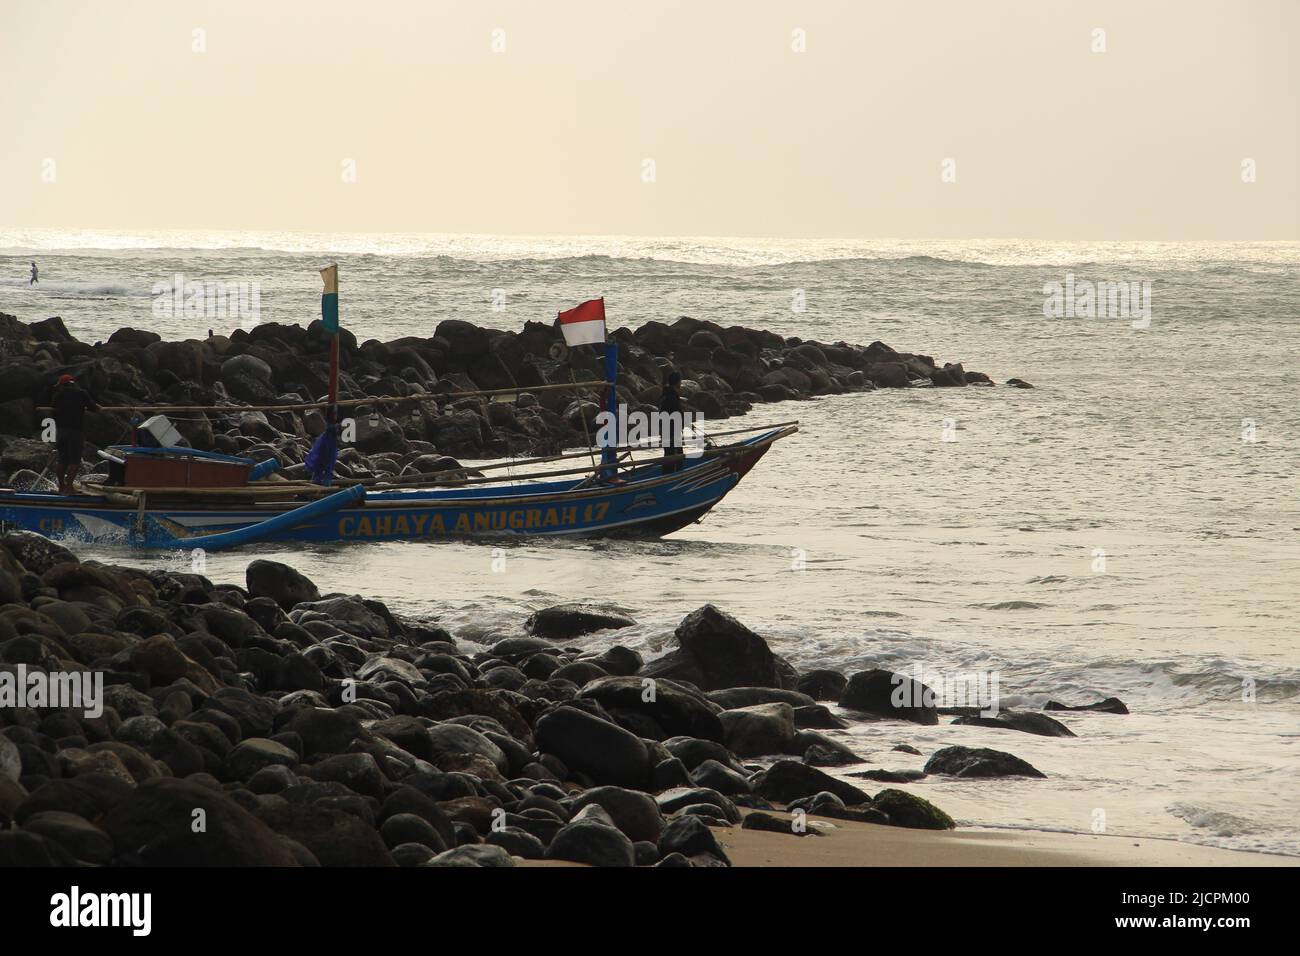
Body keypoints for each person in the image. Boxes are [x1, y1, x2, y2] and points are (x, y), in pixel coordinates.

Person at [51, 373, 98, 494]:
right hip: (75, 432)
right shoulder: (81, 393)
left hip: (61, 432)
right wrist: (97, 407)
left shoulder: (58, 395)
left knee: (62, 460)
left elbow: (54, 412)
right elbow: (94, 408)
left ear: (63, 385)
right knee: (74, 461)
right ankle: (69, 487)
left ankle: (62, 486)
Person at [659, 370, 684, 474]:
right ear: (677, 383)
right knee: (676, 458)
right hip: (672, 434)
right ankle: (673, 476)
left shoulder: (665, 395)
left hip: (666, 432)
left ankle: (667, 474)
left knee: (669, 456)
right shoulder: (672, 397)